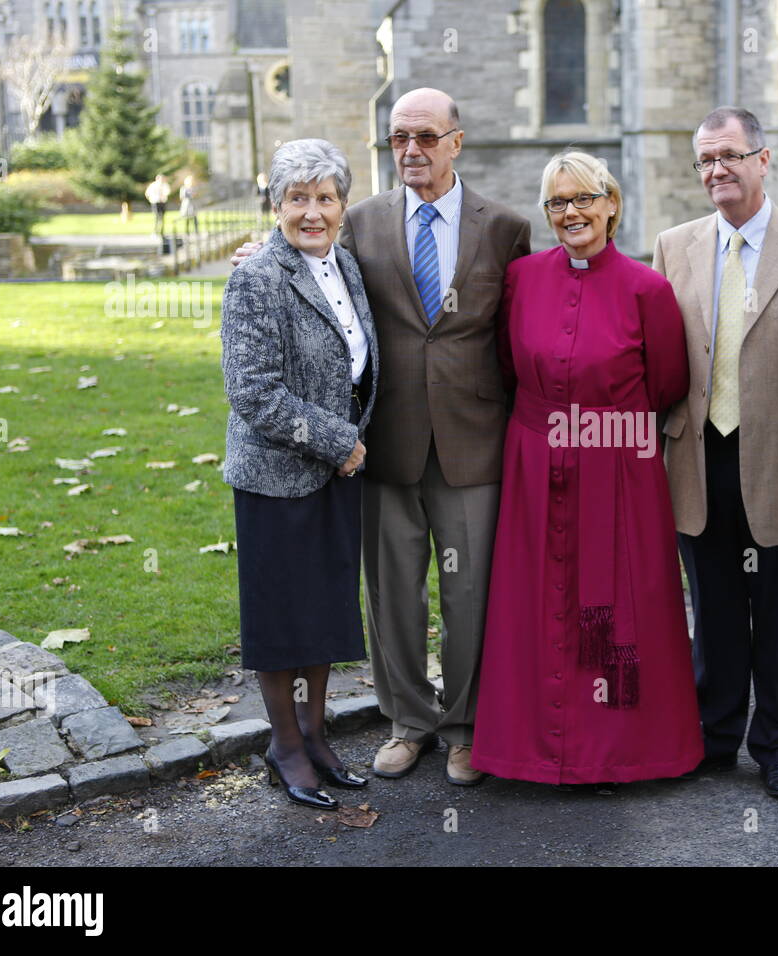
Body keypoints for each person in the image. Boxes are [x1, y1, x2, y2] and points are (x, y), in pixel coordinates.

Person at [231, 88, 532, 787]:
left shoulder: (505, 227)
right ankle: (408, 723)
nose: (411, 150)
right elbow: (300, 261)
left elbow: (519, 330)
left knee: (468, 597)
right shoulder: (359, 221)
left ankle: (464, 729)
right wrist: (257, 253)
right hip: (381, 445)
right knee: (393, 596)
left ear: (457, 141)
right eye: (399, 137)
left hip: (472, 443)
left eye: (426, 135)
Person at [470, 151, 702, 787]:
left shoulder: (647, 288)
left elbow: (668, 383)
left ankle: (616, 752)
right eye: (557, 203)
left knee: (608, 607)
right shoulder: (520, 279)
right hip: (533, 459)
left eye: (583, 199)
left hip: (617, 466)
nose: (571, 212)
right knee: (536, 602)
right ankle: (529, 750)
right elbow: (506, 363)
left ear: (611, 204)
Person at [652, 107, 778, 800]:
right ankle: (716, 735)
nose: (716, 170)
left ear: (765, 161)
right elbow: (663, 362)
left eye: (729, 155)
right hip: (696, 461)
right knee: (716, 609)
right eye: (704, 160)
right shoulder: (674, 245)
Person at [220, 138, 379, 809]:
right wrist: (340, 440)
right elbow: (253, 392)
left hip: (336, 476)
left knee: (322, 616)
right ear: (277, 205)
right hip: (276, 478)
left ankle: (315, 737)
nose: (312, 213)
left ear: (343, 205)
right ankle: (283, 744)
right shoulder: (255, 276)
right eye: (298, 199)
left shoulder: (345, 262)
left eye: (325, 198)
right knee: (282, 621)